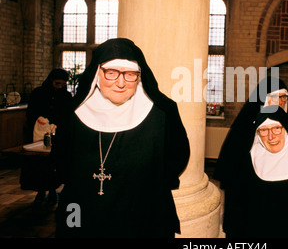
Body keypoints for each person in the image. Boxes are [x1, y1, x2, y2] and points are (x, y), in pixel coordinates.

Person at [53, 38, 190, 238]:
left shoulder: (162, 113)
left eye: (130, 74)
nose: (120, 82)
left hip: (141, 215)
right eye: (111, 73)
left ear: (139, 76)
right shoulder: (73, 114)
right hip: (84, 215)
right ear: (97, 74)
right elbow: (61, 160)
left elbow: (177, 156)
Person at [217, 106, 288, 238]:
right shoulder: (247, 163)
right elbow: (237, 212)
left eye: (277, 128)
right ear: (257, 133)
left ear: (286, 129)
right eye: (264, 130)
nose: (271, 136)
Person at [213, 76, 288, 190]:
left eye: (284, 97)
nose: (282, 101)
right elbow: (236, 157)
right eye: (277, 97)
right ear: (266, 98)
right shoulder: (248, 123)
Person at [22, 68, 72, 204]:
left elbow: (67, 115)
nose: (60, 87)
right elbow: (31, 113)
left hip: (57, 134)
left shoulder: (66, 96)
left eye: (62, 84)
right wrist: (41, 122)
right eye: (57, 84)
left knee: (53, 165)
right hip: (37, 133)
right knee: (38, 165)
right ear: (51, 81)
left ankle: (52, 190)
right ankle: (40, 191)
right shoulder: (38, 93)